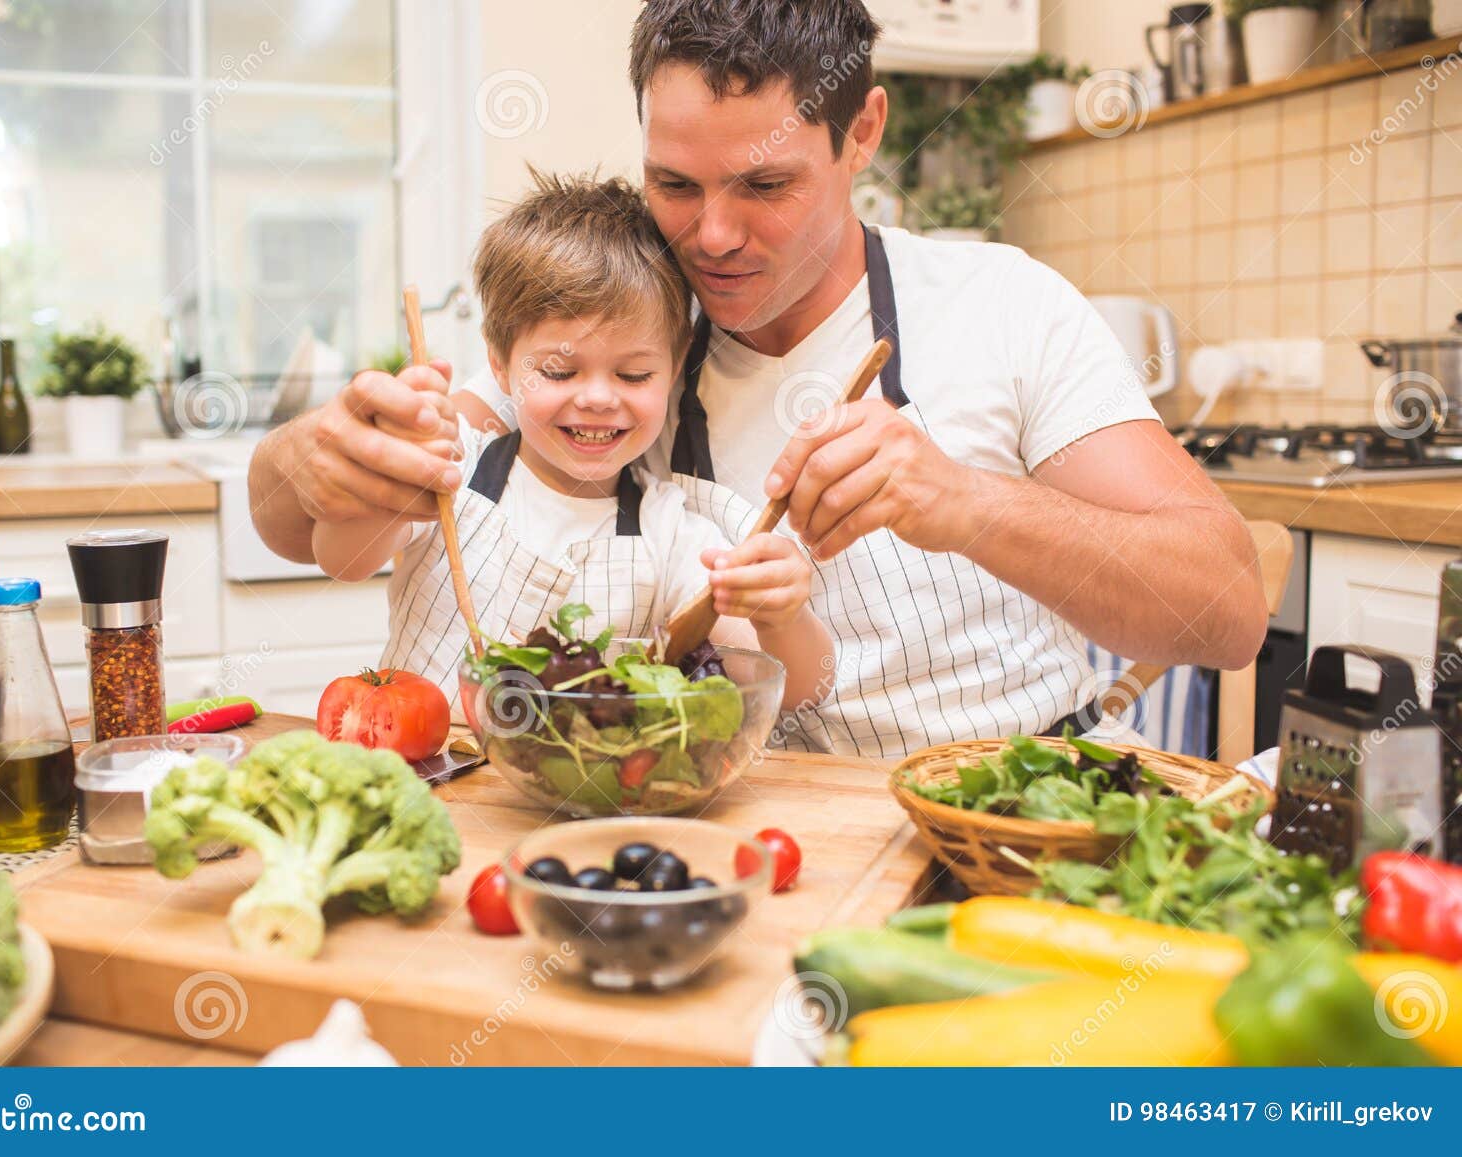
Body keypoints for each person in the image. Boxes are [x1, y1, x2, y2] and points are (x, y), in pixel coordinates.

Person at [249, 0, 1267, 759]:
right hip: (755, 818)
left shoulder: (1000, 302)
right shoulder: (626, 337)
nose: (714, 237)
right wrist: (314, 453)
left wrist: (964, 503)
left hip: (1007, 795)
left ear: (861, 132)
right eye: (674, 185)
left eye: (765, 186)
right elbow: (299, 519)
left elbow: (1224, 611)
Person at [310, 172, 832, 715]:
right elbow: (341, 558)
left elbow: (792, 694)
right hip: (422, 781)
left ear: (674, 369)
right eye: (560, 372)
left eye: (634, 376)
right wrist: (391, 464)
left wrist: (783, 617)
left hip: (580, 798)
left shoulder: (670, 531)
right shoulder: (450, 464)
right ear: (500, 365)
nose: (599, 399)